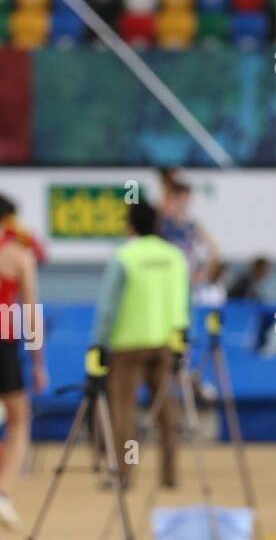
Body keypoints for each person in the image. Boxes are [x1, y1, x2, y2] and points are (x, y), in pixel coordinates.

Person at [92, 199, 189, 488]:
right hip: (165, 342)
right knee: (166, 412)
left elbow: (108, 307)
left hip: (127, 345)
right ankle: (170, 475)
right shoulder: (175, 256)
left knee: (124, 412)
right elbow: (183, 301)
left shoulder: (124, 257)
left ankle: (123, 474)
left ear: (130, 225)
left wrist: (98, 343)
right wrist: (181, 340)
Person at [0, 196, 48, 530]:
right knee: (18, 421)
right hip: (2, 341)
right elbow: (31, 313)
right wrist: (38, 363)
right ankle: (2, 492)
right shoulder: (18, 255)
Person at [157, 170, 220, 290]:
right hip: (165, 279)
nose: (183, 204)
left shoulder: (192, 226)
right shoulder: (161, 223)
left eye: (186, 200)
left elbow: (215, 249)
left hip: (185, 280)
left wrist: (203, 274)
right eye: (180, 200)